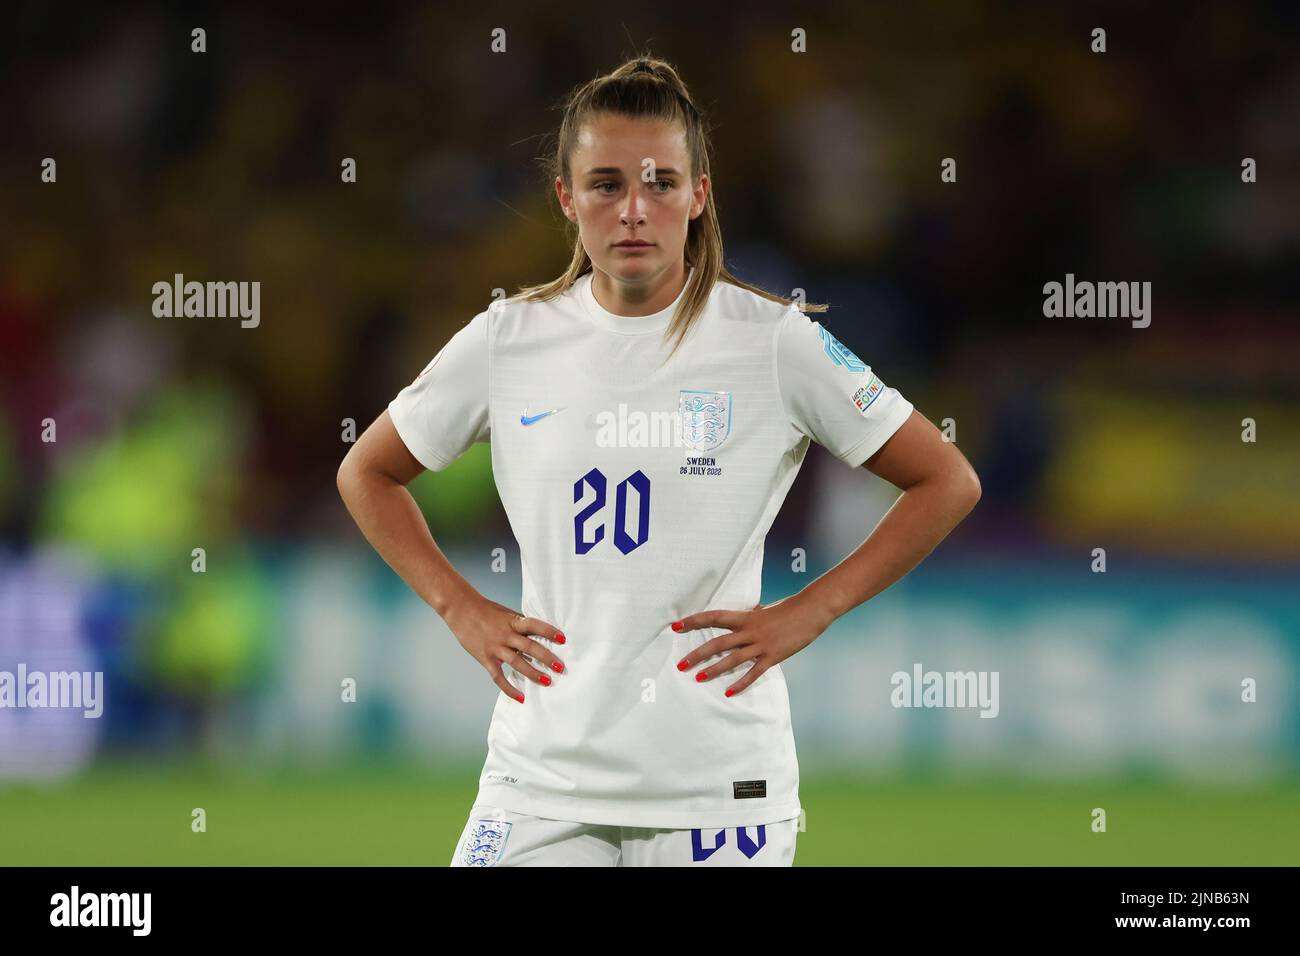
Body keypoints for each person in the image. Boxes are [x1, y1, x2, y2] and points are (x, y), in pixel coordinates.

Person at [336, 56, 980, 867]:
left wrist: (808, 610)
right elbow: (367, 471)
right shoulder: (508, 339)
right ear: (567, 199)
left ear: (699, 195)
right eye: (605, 184)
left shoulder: (773, 340)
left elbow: (946, 479)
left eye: (661, 183)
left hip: (717, 787)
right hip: (541, 779)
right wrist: (461, 607)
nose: (634, 211)